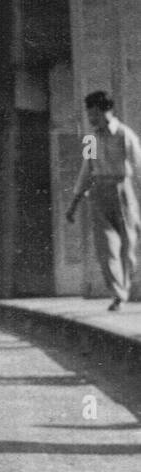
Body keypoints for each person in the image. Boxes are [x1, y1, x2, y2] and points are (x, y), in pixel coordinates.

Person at [66, 90, 141, 311]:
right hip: (99, 192)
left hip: (122, 189)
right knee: (105, 247)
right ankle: (118, 294)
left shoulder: (124, 135)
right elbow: (86, 170)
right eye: (89, 116)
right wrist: (74, 202)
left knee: (127, 245)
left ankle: (126, 283)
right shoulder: (91, 138)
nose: (92, 120)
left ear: (107, 110)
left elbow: (138, 166)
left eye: (95, 114)